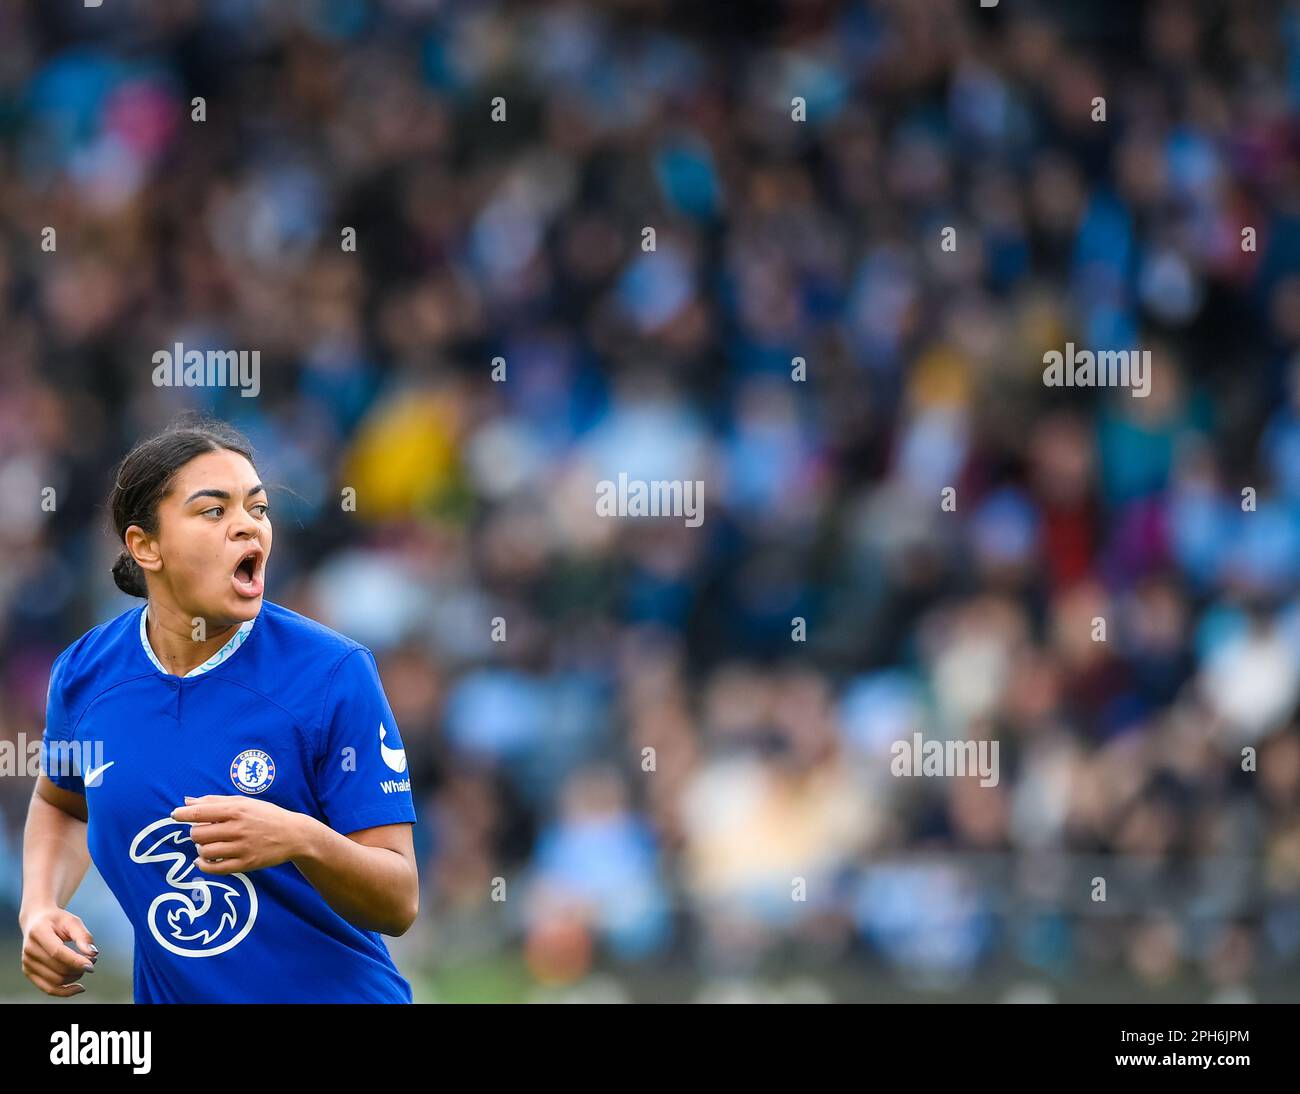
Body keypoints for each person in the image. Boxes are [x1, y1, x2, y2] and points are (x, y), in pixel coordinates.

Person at [18, 417, 419, 1003]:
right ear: (145, 546)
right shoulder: (85, 675)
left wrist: (301, 837)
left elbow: (399, 899)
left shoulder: (332, 673)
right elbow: (63, 803)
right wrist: (39, 907)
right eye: (214, 511)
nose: (247, 528)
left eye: (257, 509)